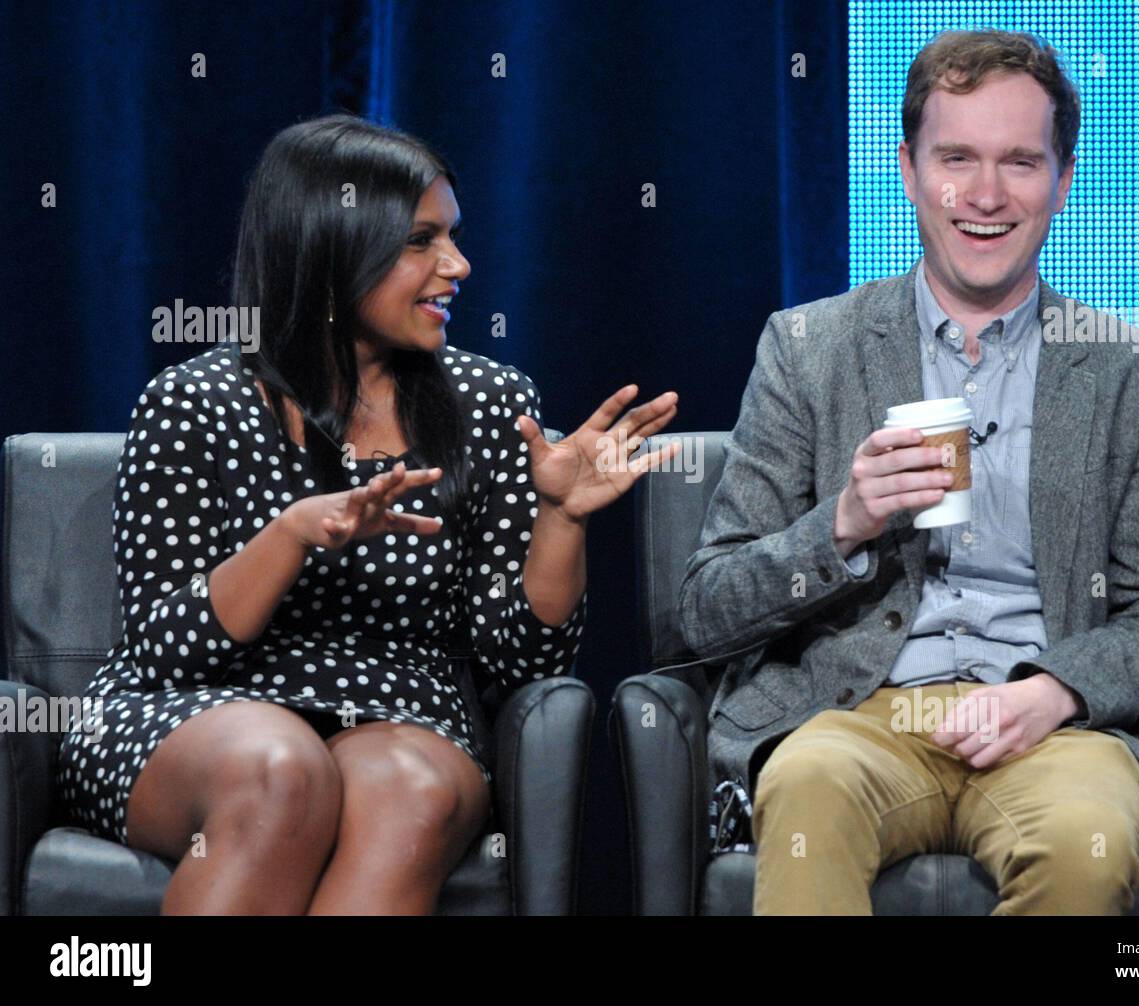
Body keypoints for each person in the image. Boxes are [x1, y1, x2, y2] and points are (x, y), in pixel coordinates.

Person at [55, 113, 679, 915]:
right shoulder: (192, 404)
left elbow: (522, 666)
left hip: (405, 710)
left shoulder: (491, 403)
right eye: (421, 240)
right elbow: (169, 650)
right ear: (329, 248)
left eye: (452, 236)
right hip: (195, 714)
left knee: (405, 789)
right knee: (282, 771)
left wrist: (561, 517)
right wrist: (289, 535)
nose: (457, 265)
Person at [678, 29, 1139, 915]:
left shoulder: (1134, 373)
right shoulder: (810, 349)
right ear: (909, 169)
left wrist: (1056, 690)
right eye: (956, 157)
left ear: (1063, 181)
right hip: (857, 717)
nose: (987, 195)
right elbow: (707, 609)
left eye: (1021, 162)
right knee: (808, 787)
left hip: (1051, 730)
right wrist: (841, 524)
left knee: (1086, 844)